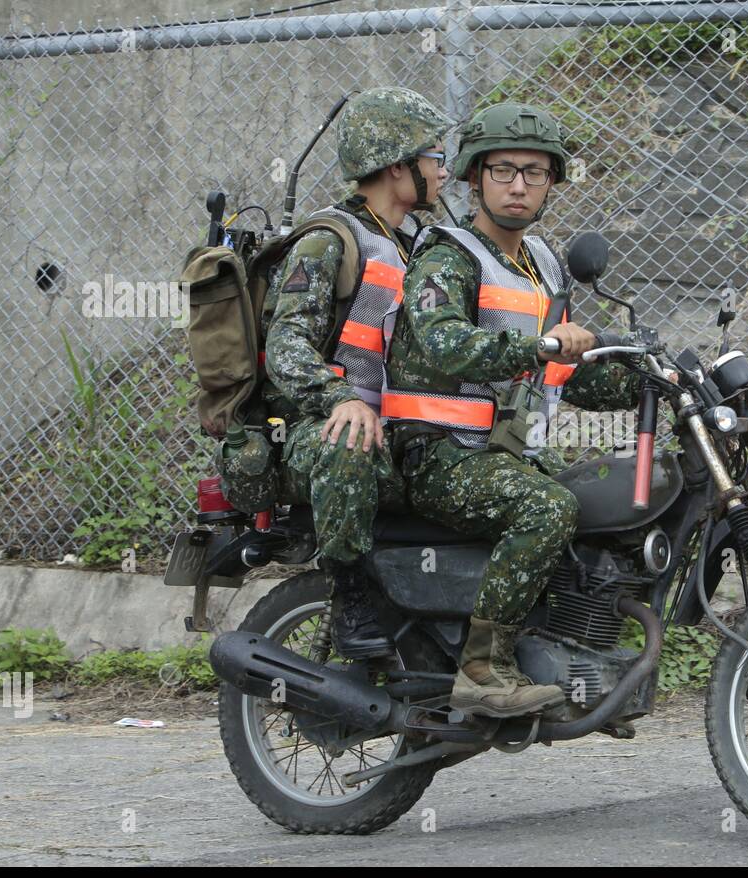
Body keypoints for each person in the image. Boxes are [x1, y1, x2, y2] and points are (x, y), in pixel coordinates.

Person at [384, 102, 643, 718]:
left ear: (552, 181)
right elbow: (446, 344)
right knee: (549, 506)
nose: (519, 185)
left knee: (610, 503)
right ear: (475, 178)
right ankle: (481, 669)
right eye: (503, 170)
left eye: (534, 172)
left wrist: (654, 384)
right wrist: (542, 344)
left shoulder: (544, 265)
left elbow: (562, 374)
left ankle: (580, 665)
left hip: (509, 452)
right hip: (437, 451)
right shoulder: (448, 255)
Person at [262, 88, 451, 659]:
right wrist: (339, 398)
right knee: (350, 442)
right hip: (310, 428)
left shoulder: (421, 243)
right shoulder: (329, 242)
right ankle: (350, 598)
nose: (444, 170)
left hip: (398, 424)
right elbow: (286, 342)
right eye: (434, 157)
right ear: (398, 167)